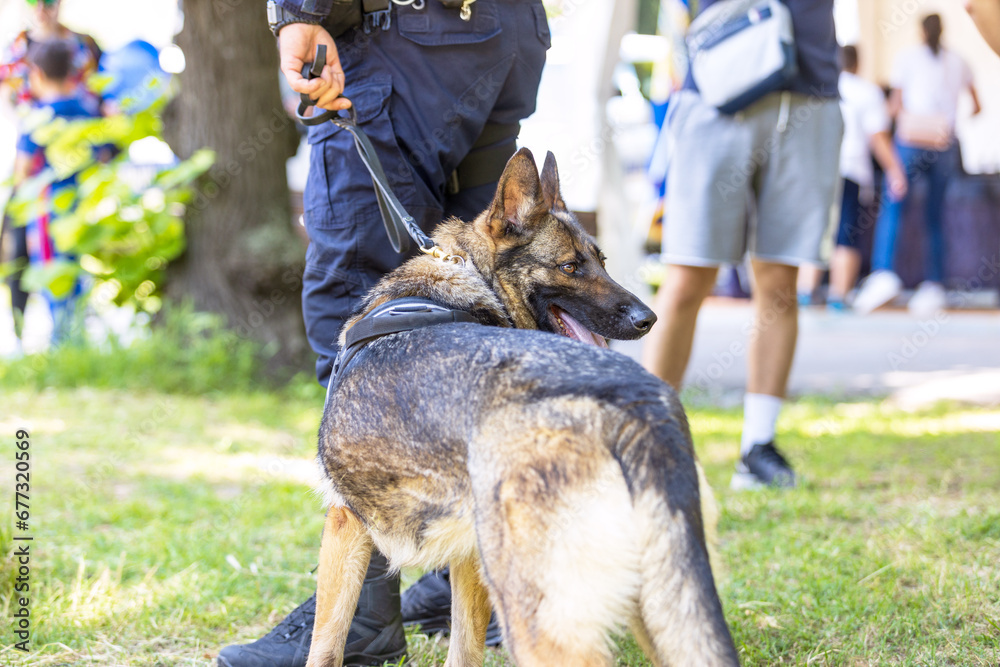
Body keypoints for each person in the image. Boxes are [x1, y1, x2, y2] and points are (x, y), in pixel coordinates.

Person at [216, 2, 548, 666]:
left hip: (404, 37)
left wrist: (301, 11)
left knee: (360, 324)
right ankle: (483, 580)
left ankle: (363, 612)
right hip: (501, 34)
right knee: (476, 320)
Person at [641, 0, 843, 490]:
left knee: (780, 280)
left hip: (808, 89)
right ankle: (651, 444)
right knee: (687, 276)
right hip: (718, 84)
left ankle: (758, 447)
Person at [852, 14, 981, 317]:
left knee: (894, 206)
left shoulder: (907, 58)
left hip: (910, 143)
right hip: (943, 143)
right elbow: (977, 106)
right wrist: (951, 121)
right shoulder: (959, 61)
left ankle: (885, 274)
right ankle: (933, 285)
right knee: (934, 216)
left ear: (921, 32)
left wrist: (884, 114)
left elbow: (896, 105)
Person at [0, 0, 100, 354]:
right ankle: (72, 340)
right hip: (79, 204)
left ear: (36, 76)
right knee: (73, 272)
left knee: (50, 271)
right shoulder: (86, 111)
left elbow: (24, 170)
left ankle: (61, 347)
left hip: (44, 209)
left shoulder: (39, 118)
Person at [797, 45, 908, 311]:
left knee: (815, 230)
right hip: (850, 170)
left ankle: (804, 292)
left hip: (816, 169)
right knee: (846, 232)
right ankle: (838, 295)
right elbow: (878, 138)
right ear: (857, 64)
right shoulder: (866, 92)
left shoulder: (818, 88)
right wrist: (896, 170)